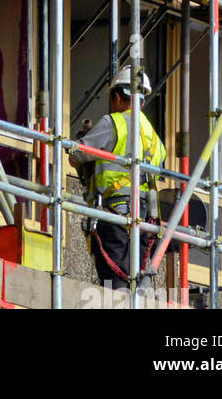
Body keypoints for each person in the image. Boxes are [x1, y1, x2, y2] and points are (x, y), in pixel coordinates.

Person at [69, 66, 167, 288]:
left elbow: (76, 156)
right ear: (142, 101)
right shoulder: (154, 136)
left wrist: (84, 143)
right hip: (146, 218)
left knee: (115, 283)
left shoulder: (113, 123)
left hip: (115, 215)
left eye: (112, 99)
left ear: (117, 97)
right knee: (137, 280)